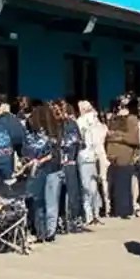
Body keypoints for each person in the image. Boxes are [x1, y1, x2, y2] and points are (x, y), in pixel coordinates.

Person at [24, 106, 60, 242]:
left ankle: (46, 232)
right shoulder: (48, 133)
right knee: (45, 202)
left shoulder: (50, 134)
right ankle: (45, 232)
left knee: (43, 202)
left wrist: (38, 161)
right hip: (47, 170)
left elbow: (54, 154)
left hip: (48, 170)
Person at [105, 98, 140, 219]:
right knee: (115, 185)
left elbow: (134, 138)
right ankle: (116, 209)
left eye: (123, 107)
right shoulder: (114, 119)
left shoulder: (132, 119)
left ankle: (125, 210)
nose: (120, 109)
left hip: (125, 157)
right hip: (113, 158)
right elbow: (108, 135)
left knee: (124, 185)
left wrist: (117, 136)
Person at [54, 100, 85, 233]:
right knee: (60, 194)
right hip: (60, 163)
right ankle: (62, 221)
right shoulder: (55, 125)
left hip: (68, 163)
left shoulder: (70, 124)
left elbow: (76, 143)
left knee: (72, 193)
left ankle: (73, 220)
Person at [76, 101, 104, 225]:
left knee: (91, 187)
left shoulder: (94, 122)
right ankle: (89, 215)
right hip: (85, 157)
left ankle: (94, 214)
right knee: (88, 187)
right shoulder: (81, 122)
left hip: (91, 157)